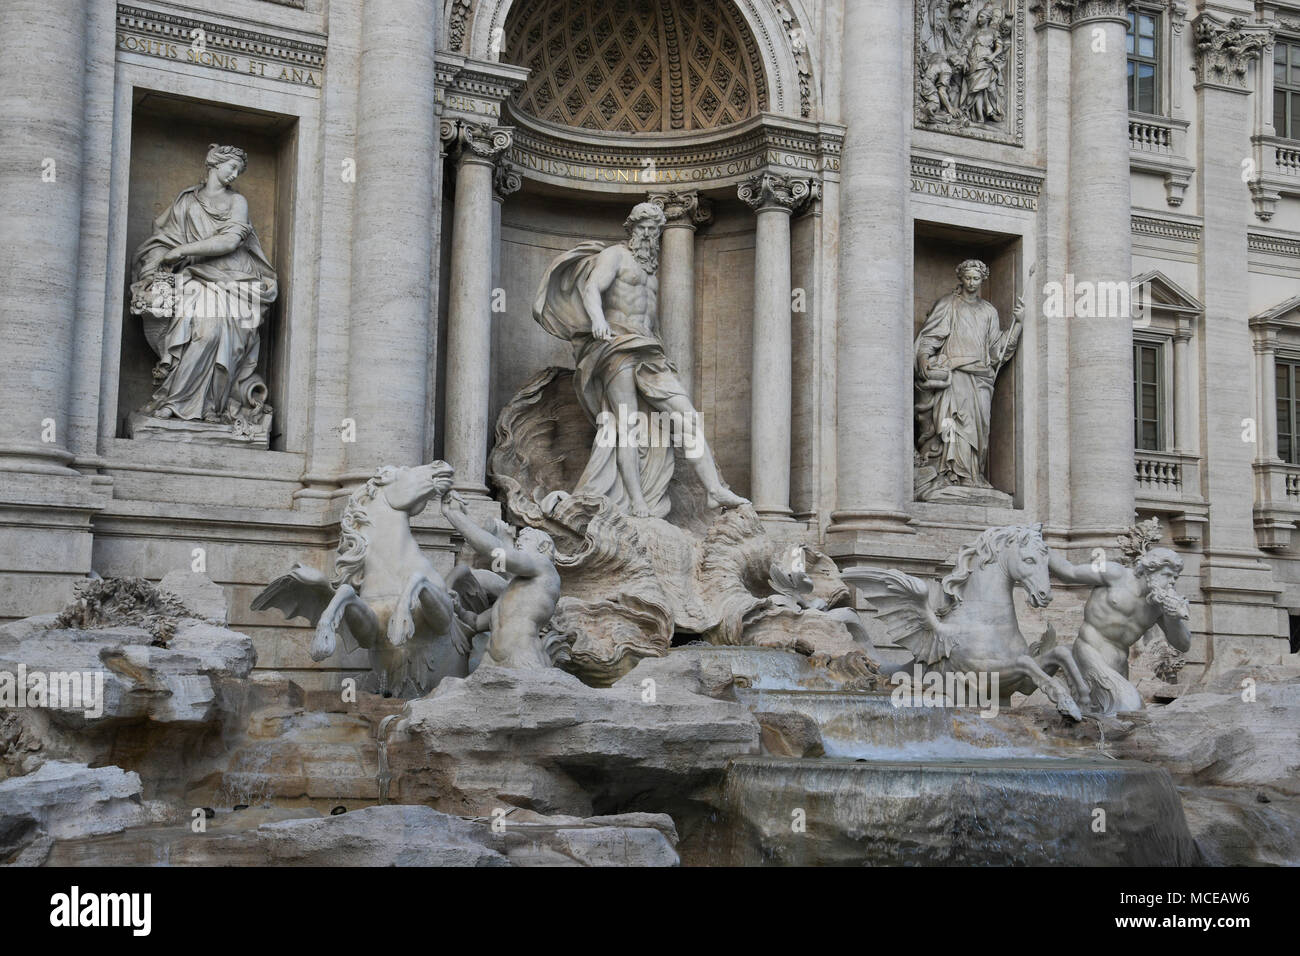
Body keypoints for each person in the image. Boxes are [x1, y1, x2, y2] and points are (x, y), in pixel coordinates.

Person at [532, 202, 748, 518]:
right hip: (616, 346)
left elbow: (651, 319)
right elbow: (592, 287)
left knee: (686, 415)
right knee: (627, 425)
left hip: (648, 350)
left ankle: (714, 489)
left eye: (655, 230)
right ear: (632, 228)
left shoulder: (650, 270)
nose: (650, 235)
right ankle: (637, 501)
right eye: (644, 228)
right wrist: (597, 320)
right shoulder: (615, 256)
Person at [129, 143, 278, 424]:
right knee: (203, 334)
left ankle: (214, 406)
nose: (235, 174)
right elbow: (163, 238)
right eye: (231, 167)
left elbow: (230, 240)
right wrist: (157, 265)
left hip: (236, 280)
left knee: (224, 341)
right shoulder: (186, 202)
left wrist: (182, 252)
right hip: (196, 277)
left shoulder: (238, 202)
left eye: (239, 170)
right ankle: (176, 402)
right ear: (214, 163)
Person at [914, 258, 1021, 496]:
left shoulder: (989, 311)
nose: (972, 283)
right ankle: (950, 473)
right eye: (968, 278)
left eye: (976, 279)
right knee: (952, 424)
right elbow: (930, 337)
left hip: (981, 377)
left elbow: (996, 351)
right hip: (954, 375)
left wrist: (1018, 325)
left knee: (977, 430)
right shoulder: (949, 304)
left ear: (983, 279)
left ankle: (973, 474)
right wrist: (923, 356)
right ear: (960, 278)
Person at [1047, 547, 1192, 714]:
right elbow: (1069, 572)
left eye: (1175, 577)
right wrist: (1041, 547)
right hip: (1090, 651)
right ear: (1150, 569)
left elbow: (1183, 644)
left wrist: (1173, 617)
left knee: (1113, 717)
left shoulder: (1159, 605)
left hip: (1120, 665)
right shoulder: (1114, 573)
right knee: (1129, 708)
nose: (1172, 582)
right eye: (1167, 575)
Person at [441, 492, 562, 669]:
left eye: (525, 540)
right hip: (493, 662)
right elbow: (476, 623)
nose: (519, 543)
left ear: (543, 547)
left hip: (523, 659)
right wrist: (458, 607)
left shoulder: (543, 566)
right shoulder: (515, 591)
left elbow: (497, 553)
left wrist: (455, 515)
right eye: (518, 540)